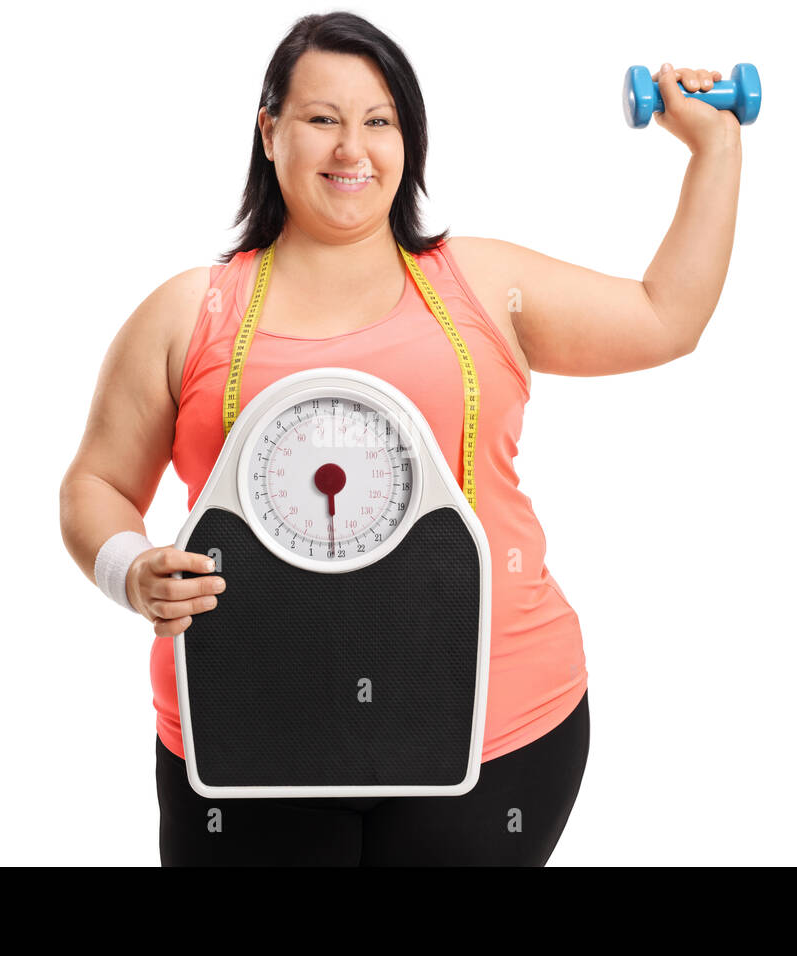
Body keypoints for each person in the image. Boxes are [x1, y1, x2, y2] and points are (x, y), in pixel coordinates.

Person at [58, 11, 742, 866]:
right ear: (269, 132)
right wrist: (130, 571)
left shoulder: (486, 285)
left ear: (409, 141)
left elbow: (664, 317)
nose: (353, 149)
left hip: (499, 733)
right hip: (246, 737)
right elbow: (96, 483)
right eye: (322, 119)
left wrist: (714, 150)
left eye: (380, 121)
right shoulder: (185, 314)